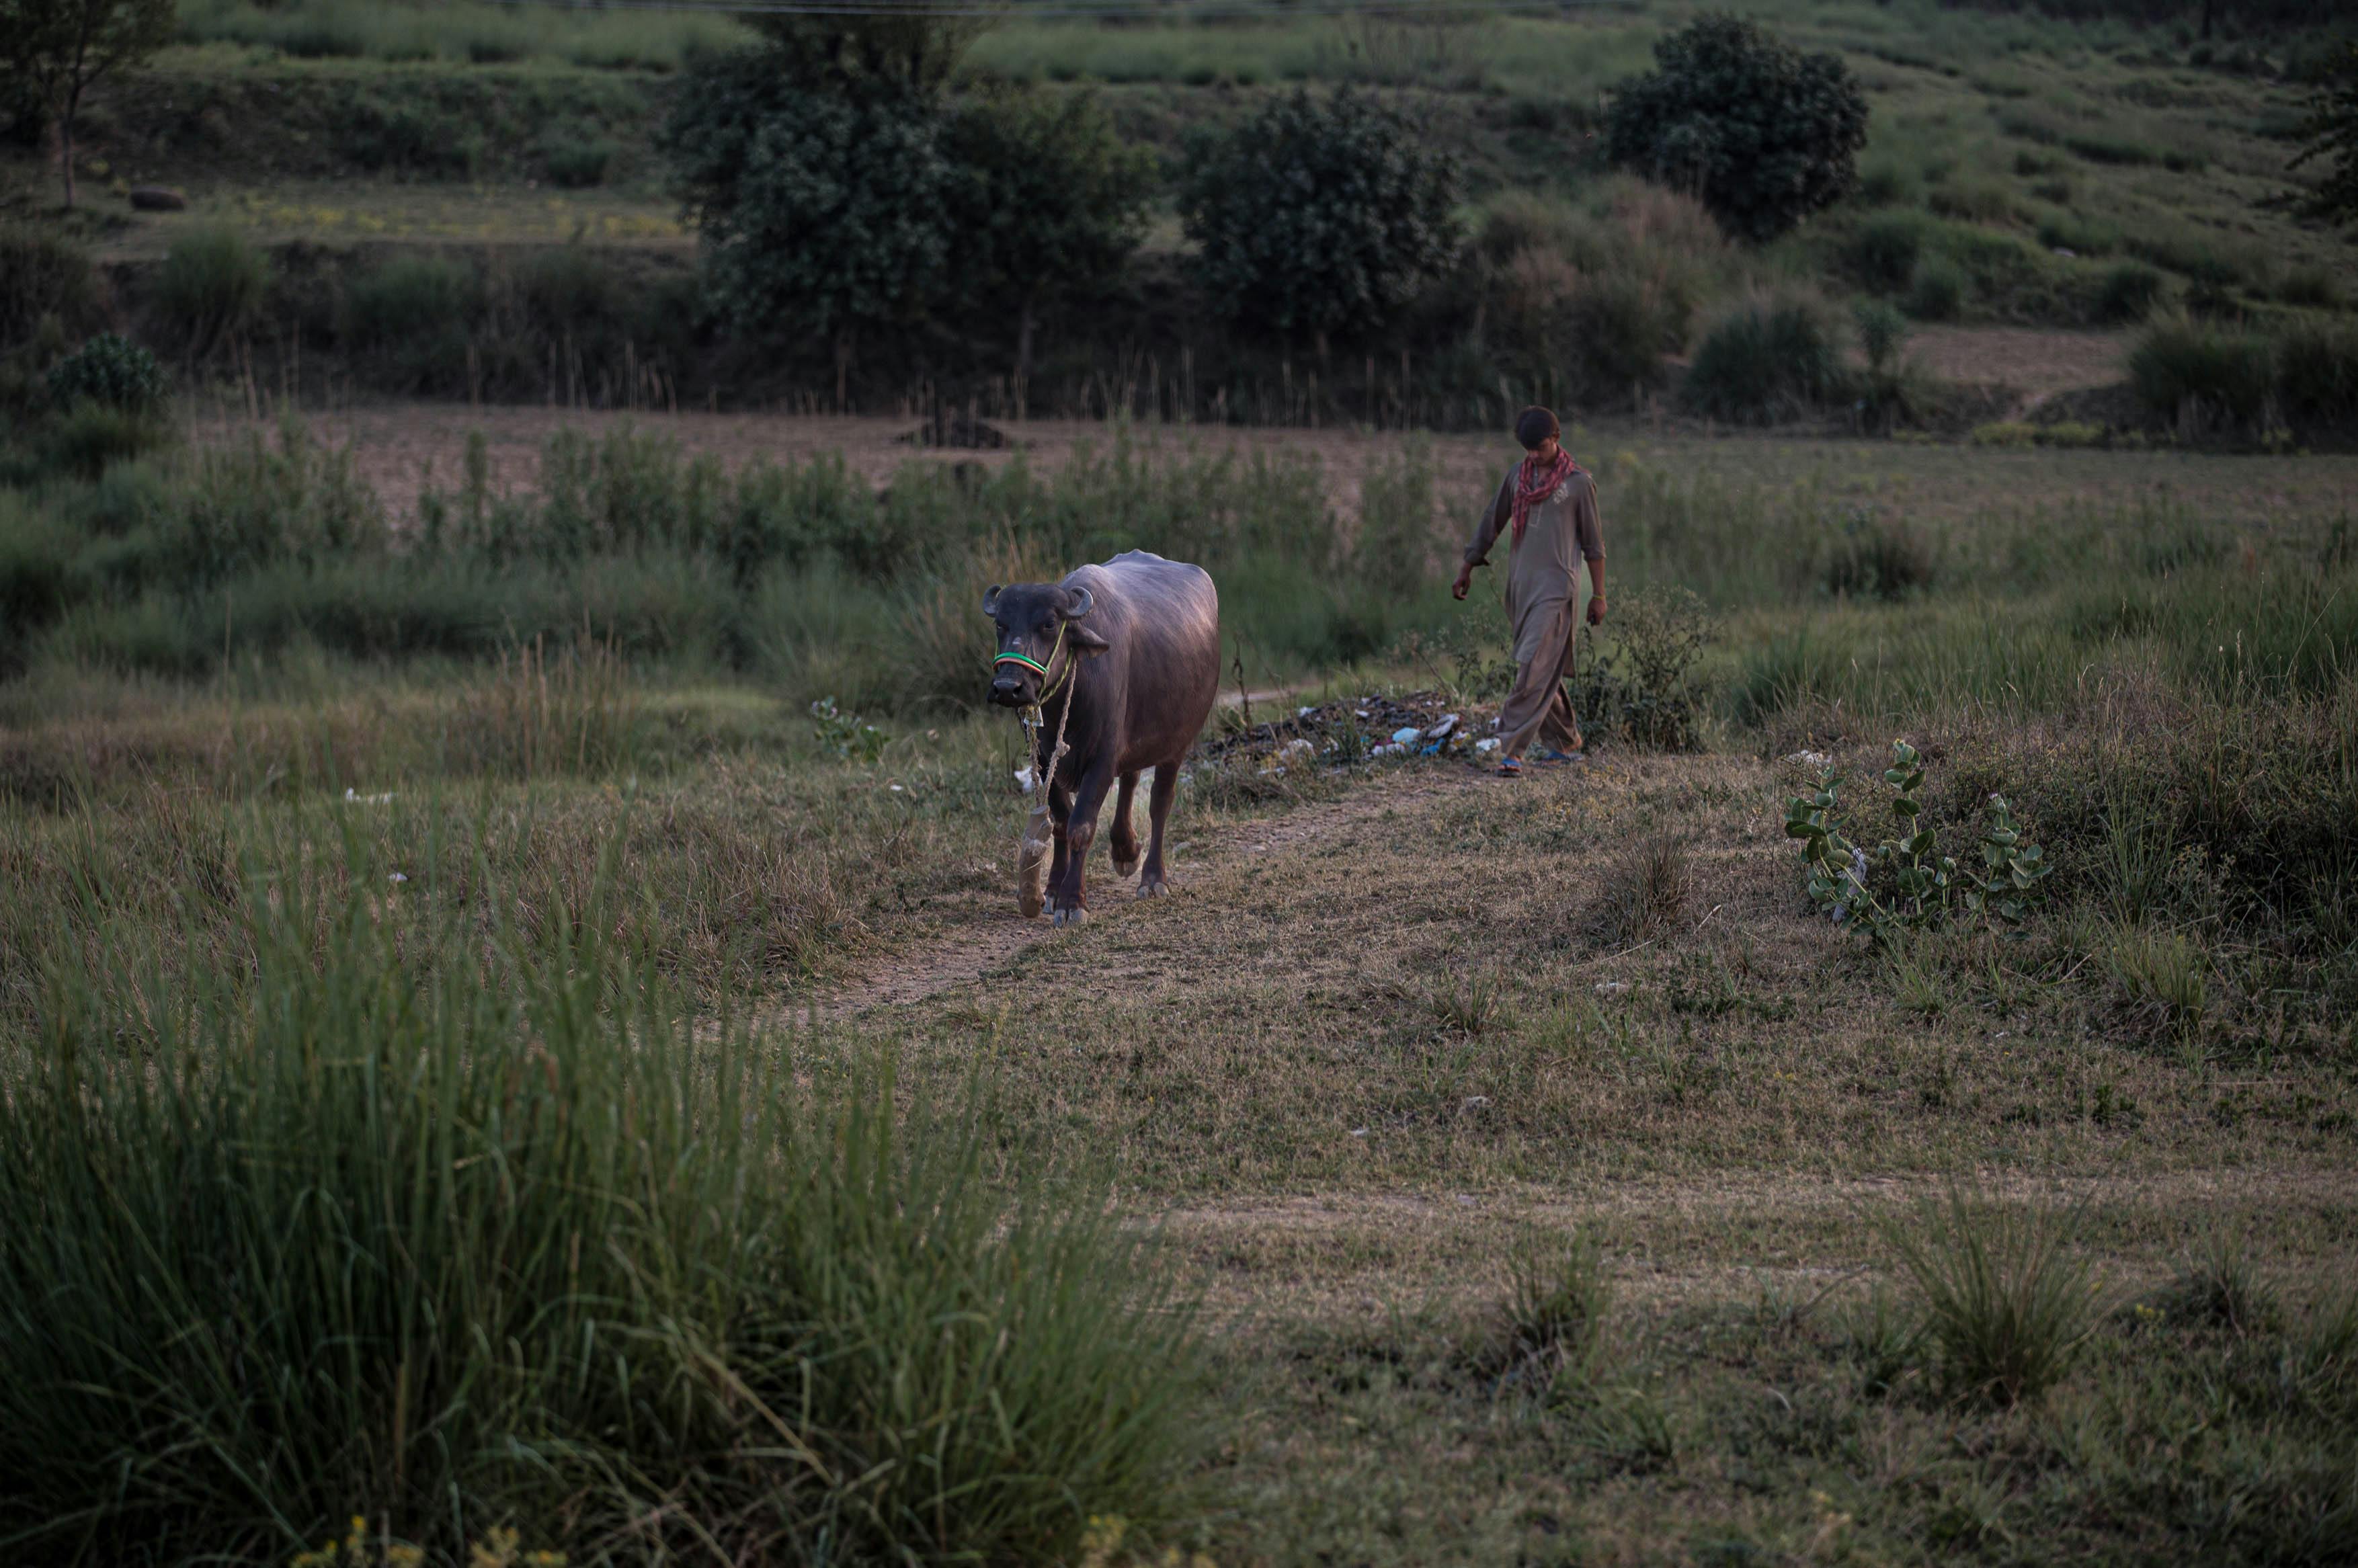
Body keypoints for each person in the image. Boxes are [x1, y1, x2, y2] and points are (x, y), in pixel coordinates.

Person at [1451, 405, 1606, 778]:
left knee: (1533, 664)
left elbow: (1594, 546)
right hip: (1521, 589)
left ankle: (1512, 748)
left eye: (1540, 448)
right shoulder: (1518, 478)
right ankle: (1565, 741)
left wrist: (1599, 595)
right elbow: (1493, 520)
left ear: (1556, 439)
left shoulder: (1578, 485)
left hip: (1558, 588)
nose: (1534, 456)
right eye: (1528, 450)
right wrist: (1468, 565)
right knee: (1541, 666)